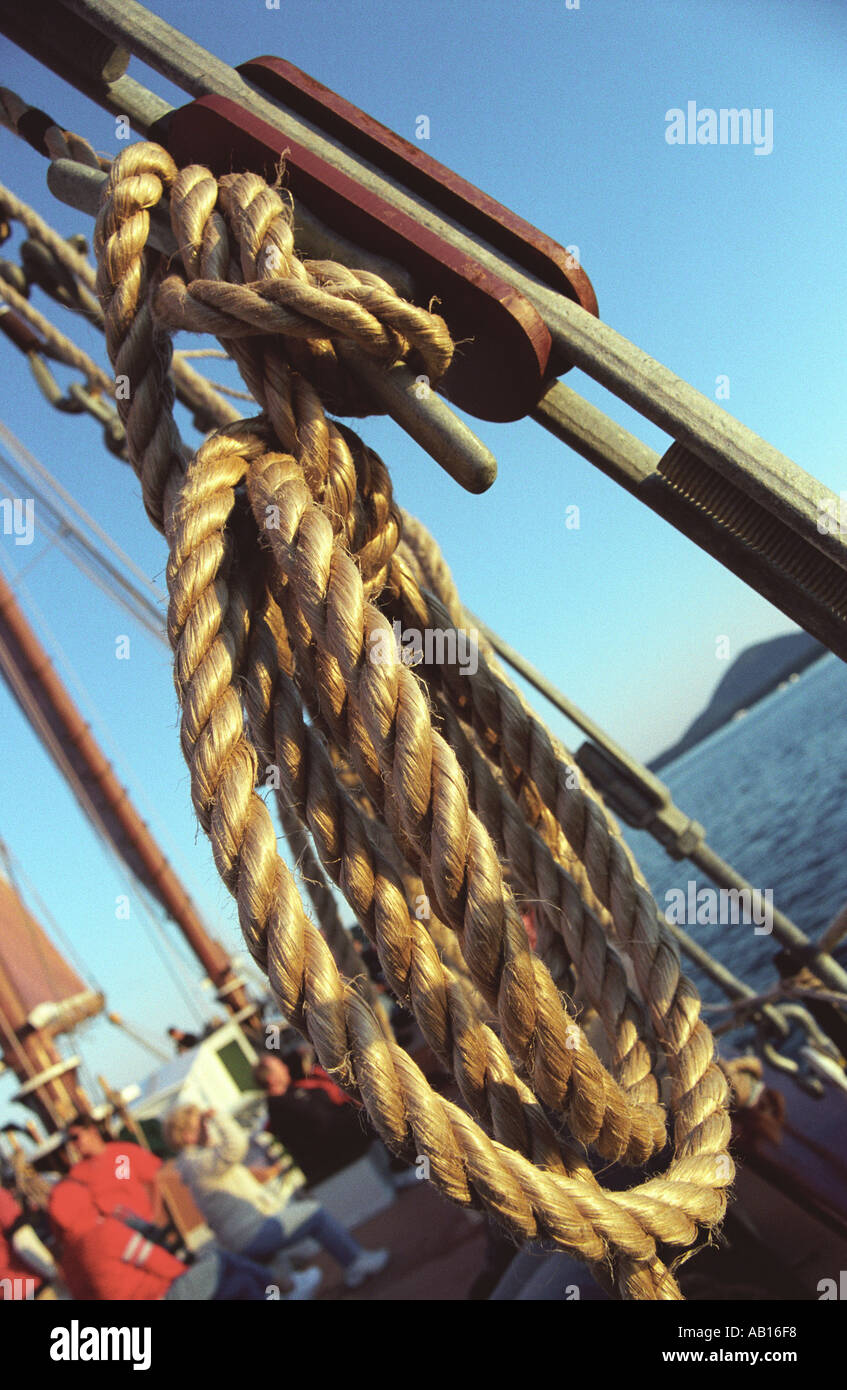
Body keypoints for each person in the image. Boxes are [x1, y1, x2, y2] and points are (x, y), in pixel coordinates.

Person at [164, 1104, 389, 1288]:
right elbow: (236, 1146)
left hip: (243, 1236)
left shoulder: (195, 1163)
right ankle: (356, 1263)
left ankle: (316, 1282)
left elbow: (223, 1154)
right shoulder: (196, 1164)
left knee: (281, 1284)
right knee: (315, 1215)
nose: (206, 1127)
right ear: (187, 1135)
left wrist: (207, 1134)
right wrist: (218, 1117)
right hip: (253, 1232)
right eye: (200, 1124)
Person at [48, 1179, 318, 1301]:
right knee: (219, 1261)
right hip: (163, 1296)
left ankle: (281, 1290)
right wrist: (189, 1273)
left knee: (240, 1282)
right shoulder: (102, 1233)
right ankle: (287, 1287)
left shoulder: (69, 1259)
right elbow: (159, 1263)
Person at [59, 1115, 168, 1240]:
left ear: (92, 1131)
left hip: (146, 1226)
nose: (73, 1145)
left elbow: (156, 1179)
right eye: (70, 1141)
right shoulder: (77, 1174)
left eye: (75, 1138)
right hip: (116, 1236)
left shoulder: (124, 1152)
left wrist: (156, 1216)